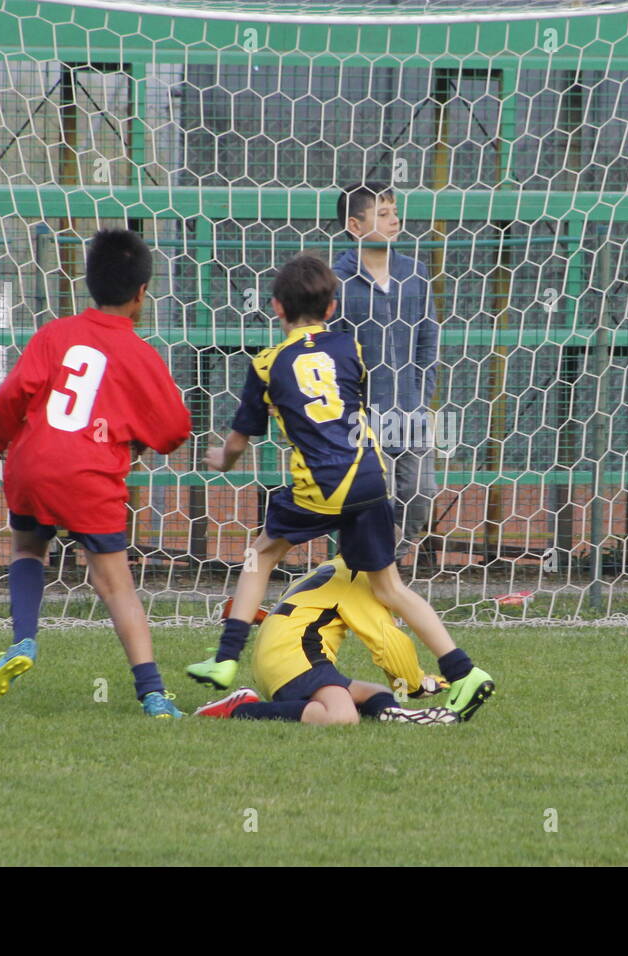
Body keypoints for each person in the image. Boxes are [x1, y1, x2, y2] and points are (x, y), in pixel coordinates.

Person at [186, 253, 494, 721]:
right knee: (390, 588)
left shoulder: (267, 364)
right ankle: (465, 671)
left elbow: (236, 443)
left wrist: (220, 459)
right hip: (369, 477)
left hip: (320, 486)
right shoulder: (352, 348)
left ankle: (226, 658)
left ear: (276, 307)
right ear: (333, 307)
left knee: (262, 554)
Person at [0, 227, 194, 718]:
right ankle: (154, 693)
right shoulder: (139, 353)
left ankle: (24, 640)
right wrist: (141, 437)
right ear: (142, 293)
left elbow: (14, 394)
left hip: (32, 465)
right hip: (89, 473)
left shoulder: (55, 333)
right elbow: (175, 427)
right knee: (114, 583)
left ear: (88, 284)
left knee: (29, 547)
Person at [194, 556, 459, 725]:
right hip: (297, 655)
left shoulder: (333, 567)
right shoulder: (359, 577)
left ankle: (391, 714)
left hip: (276, 657)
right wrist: (413, 687)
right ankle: (241, 709)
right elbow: (389, 645)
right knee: (342, 717)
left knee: (377, 693)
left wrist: (402, 690)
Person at [333, 183, 438, 565]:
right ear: (355, 226)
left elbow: (428, 338)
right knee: (370, 498)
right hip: (361, 415)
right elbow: (333, 351)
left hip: (410, 409)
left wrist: (420, 395)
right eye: (382, 214)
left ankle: (386, 564)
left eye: (394, 211)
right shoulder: (337, 281)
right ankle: (362, 577)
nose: (394, 220)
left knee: (421, 491)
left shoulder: (415, 272)